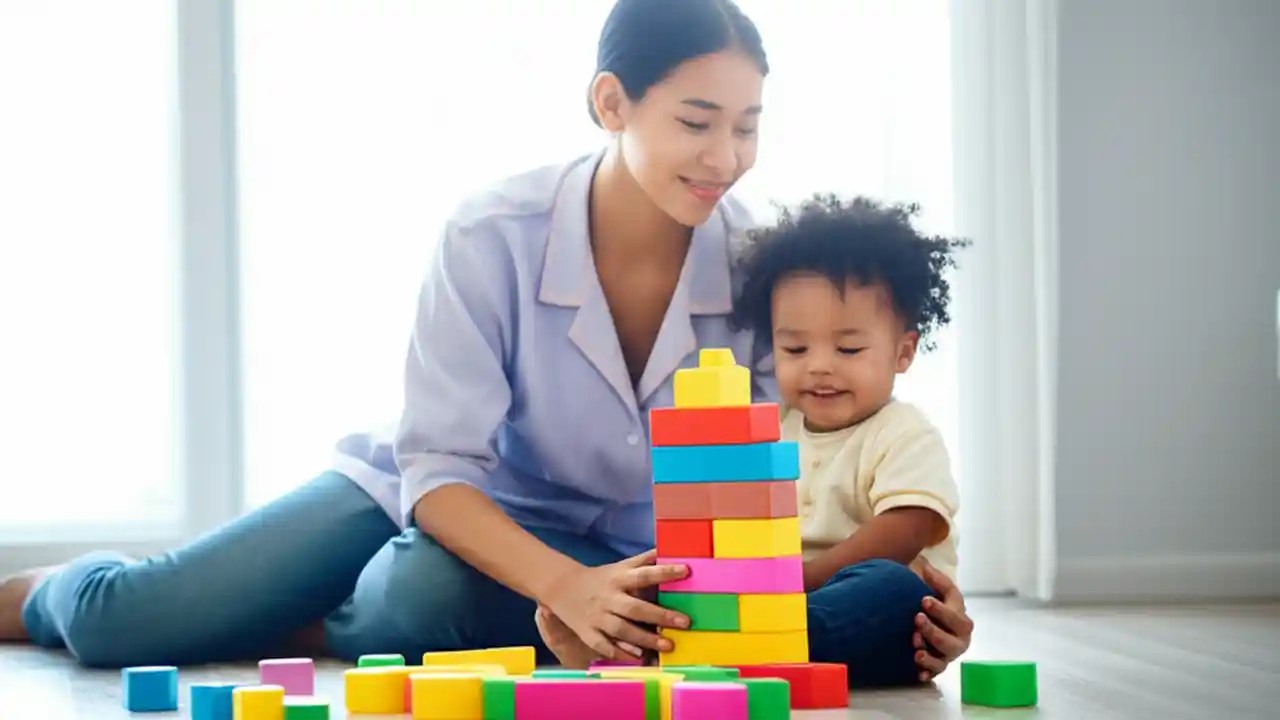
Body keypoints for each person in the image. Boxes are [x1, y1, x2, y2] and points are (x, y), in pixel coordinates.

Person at [0, 0, 973, 684]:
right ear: (610, 103)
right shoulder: (491, 235)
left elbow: (792, 474)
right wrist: (560, 587)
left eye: (747, 127)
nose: (725, 157)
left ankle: (320, 619)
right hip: (427, 496)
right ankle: (43, 591)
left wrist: (919, 598)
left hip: (612, 557)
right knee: (128, 624)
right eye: (695, 121)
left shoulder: (763, 271)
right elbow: (438, 465)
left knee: (424, 604)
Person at [536, 194, 971, 685]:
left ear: (903, 352)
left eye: (849, 347)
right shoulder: (771, 426)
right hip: (758, 601)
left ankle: (729, 652)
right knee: (669, 577)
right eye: (794, 347)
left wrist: (788, 587)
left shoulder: (904, 432)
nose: (820, 364)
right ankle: (630, 648)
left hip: (857, 611)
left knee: (891, 589)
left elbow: (906, 529)